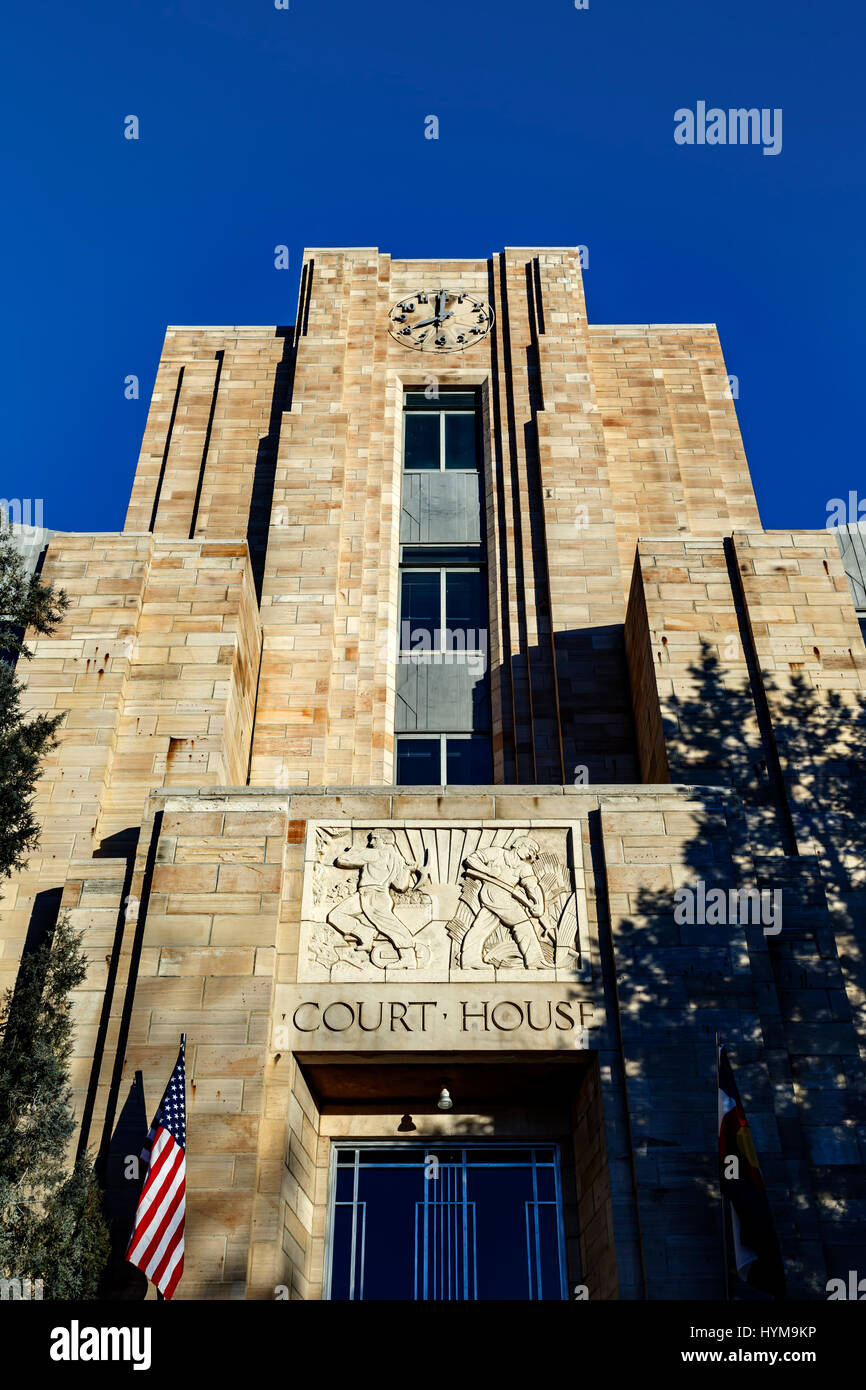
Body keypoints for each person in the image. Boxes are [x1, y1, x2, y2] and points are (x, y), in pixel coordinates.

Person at [327, 829, 420, 961]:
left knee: (391, 926)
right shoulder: (398, 859)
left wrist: (355, 850)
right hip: (370, 896)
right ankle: (365, 933)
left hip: (373, 896)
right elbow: (401, 886)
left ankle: (408, 958)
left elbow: (341, 860)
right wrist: (407, 871)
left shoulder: (373, 853)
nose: (371, 842)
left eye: (374, 839)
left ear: (384, 840)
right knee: (335, 915)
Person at [458, 837, 548, 969]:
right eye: (531, 850)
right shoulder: (497, 853)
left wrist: (538, 904)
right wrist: (488, 871)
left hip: (503, 896)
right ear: (520, 845)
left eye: (533, 853)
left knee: (481, 927)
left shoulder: (524, 867)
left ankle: (470, 960)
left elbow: (532, 886)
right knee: (522, 922)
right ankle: (534, 960)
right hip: (492, 893)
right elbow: (471, 859)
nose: (531, 855)